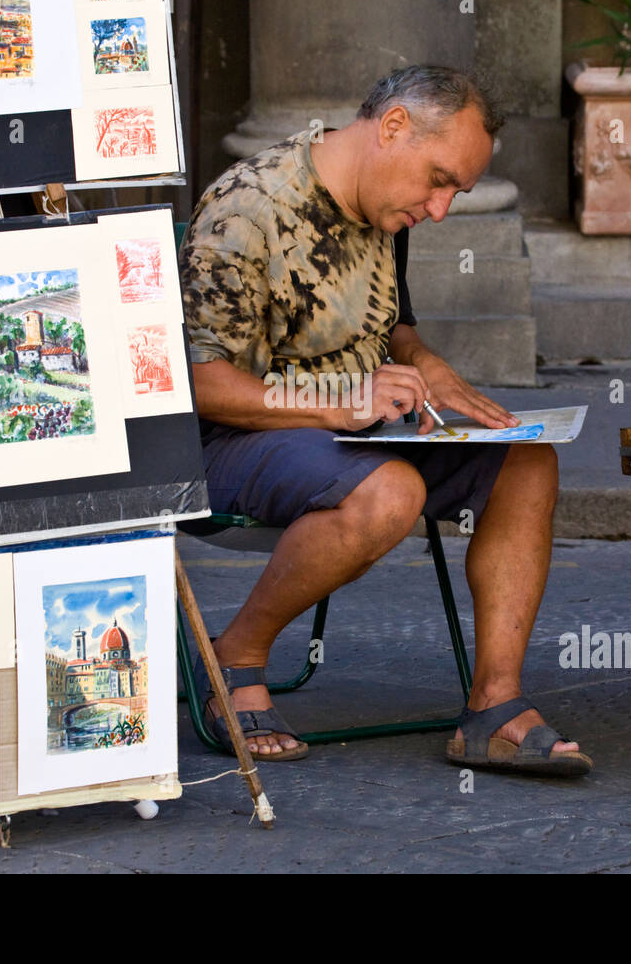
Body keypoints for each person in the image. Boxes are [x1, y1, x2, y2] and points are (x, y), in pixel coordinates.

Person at [178, 65, 590, 776]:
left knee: (527, 459)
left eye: (455, 191)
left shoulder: (380, 204)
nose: (439, 211)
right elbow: (195, 384)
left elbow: (389, 323)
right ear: (393, 126)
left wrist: (421, 357)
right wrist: (338, 401)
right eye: (438, 181)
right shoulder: (245, 209)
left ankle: (493, 706)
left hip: (357, 429)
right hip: (236, 438)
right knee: (390, 490)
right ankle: (236, 653)